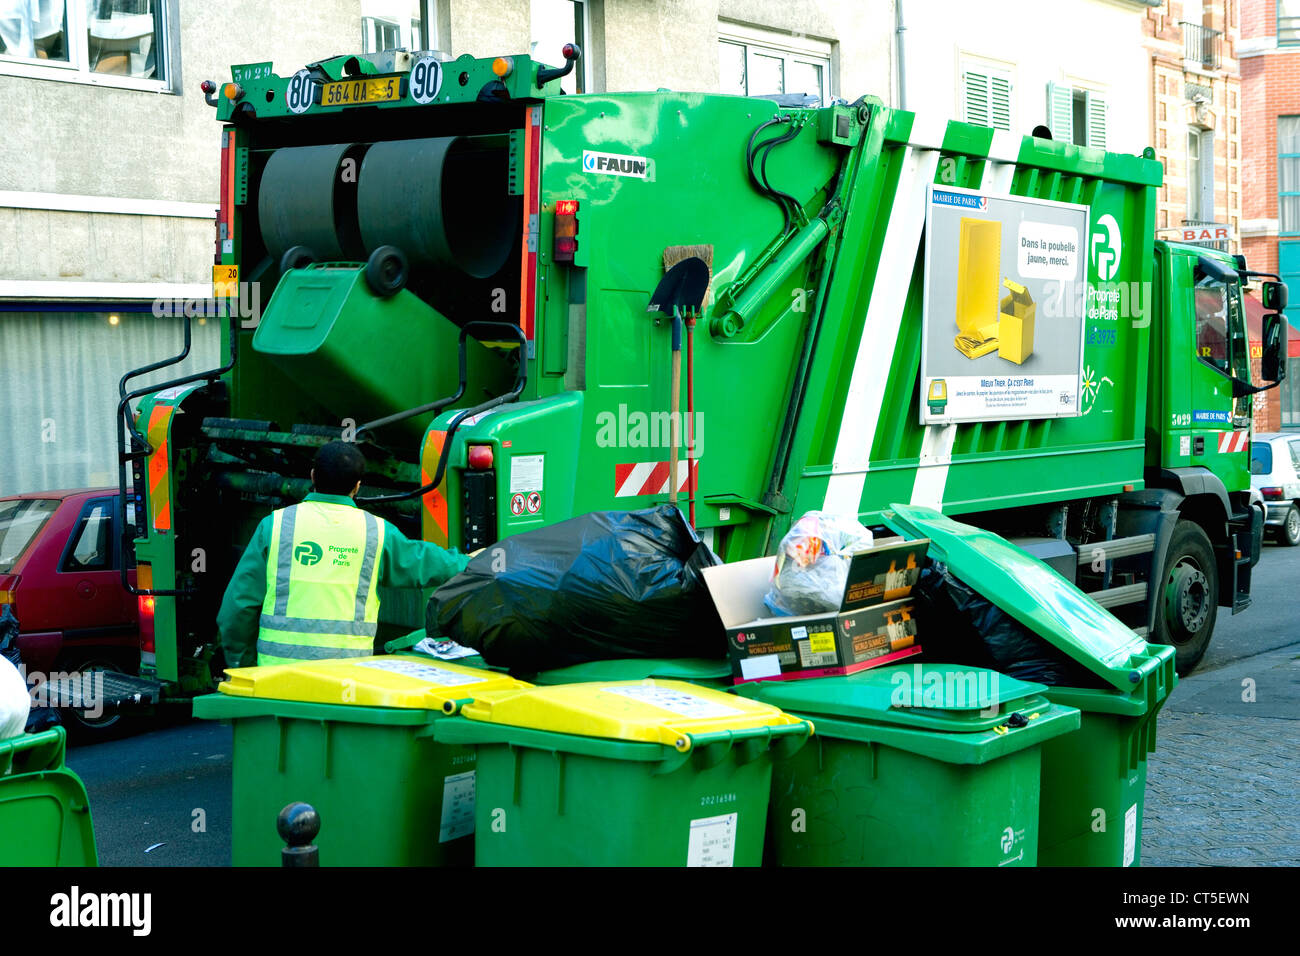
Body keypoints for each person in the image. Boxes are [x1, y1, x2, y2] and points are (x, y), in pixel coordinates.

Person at [217, 441, 470, 668]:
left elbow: (237, 607)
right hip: (345, 682)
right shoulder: (378, 532)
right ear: (358, 486)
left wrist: (242, 666)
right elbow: (425, 562)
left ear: (313, 475)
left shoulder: (274, 525)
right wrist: (471, 562)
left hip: (275, 682)